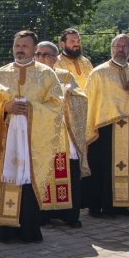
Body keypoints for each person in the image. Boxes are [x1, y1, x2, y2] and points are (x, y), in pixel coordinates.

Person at [0, 30, 67, 243]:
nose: (20, 49)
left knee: (28, 182)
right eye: (17, 45)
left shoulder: (46, 74)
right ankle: (2, 229)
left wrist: (31, 109)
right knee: (3, 180)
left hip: (32, 142)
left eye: (25, 46)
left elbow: (56, 104)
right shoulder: (0, 73)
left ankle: (28, 229)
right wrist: (5, 107)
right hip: (5, 142)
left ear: (33, 48)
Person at [83, 34, 129, 217]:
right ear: (111, 48)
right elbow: (90, 101)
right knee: (102, 167)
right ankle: (98, 206)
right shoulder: (99, 72)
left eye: (124, 46)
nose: (120, 49)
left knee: (128, 167)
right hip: (105, 128)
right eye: (117, 46)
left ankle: (121, 204)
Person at [35, 41, 89, 228]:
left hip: (64, 134)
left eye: (46, 54)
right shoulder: (33, 77)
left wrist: (69, 98)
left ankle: (68, 214)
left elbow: (82, 99)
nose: (41, 58)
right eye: (38, 54)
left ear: (55, 58)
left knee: (68, 172)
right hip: (41, 134)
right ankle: (42, 214)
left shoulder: (65, 76)